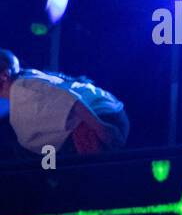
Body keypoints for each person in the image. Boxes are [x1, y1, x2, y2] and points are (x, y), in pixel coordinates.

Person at [0, 49, 128, 157]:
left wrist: (101, 128)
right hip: (106, 114)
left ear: (4, 75)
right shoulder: (23, 85)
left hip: (100, 120)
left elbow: (70, 100)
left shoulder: (21, 89)